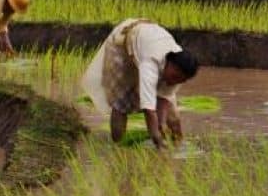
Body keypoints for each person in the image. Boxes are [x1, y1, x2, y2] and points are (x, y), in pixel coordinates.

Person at [81, 19, 199, 149]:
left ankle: (178, 143)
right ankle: (117, 145)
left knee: (173, 113)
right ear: (170, 65)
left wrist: (161, 124)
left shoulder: (180, 68)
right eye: (174, 77)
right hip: (122, 45)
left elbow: (163, 98)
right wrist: (156, 138)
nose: (174, 82)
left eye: (180, 81)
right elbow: (149, 109)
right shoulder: (151, 63)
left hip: (146, 41)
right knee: (122, 102)